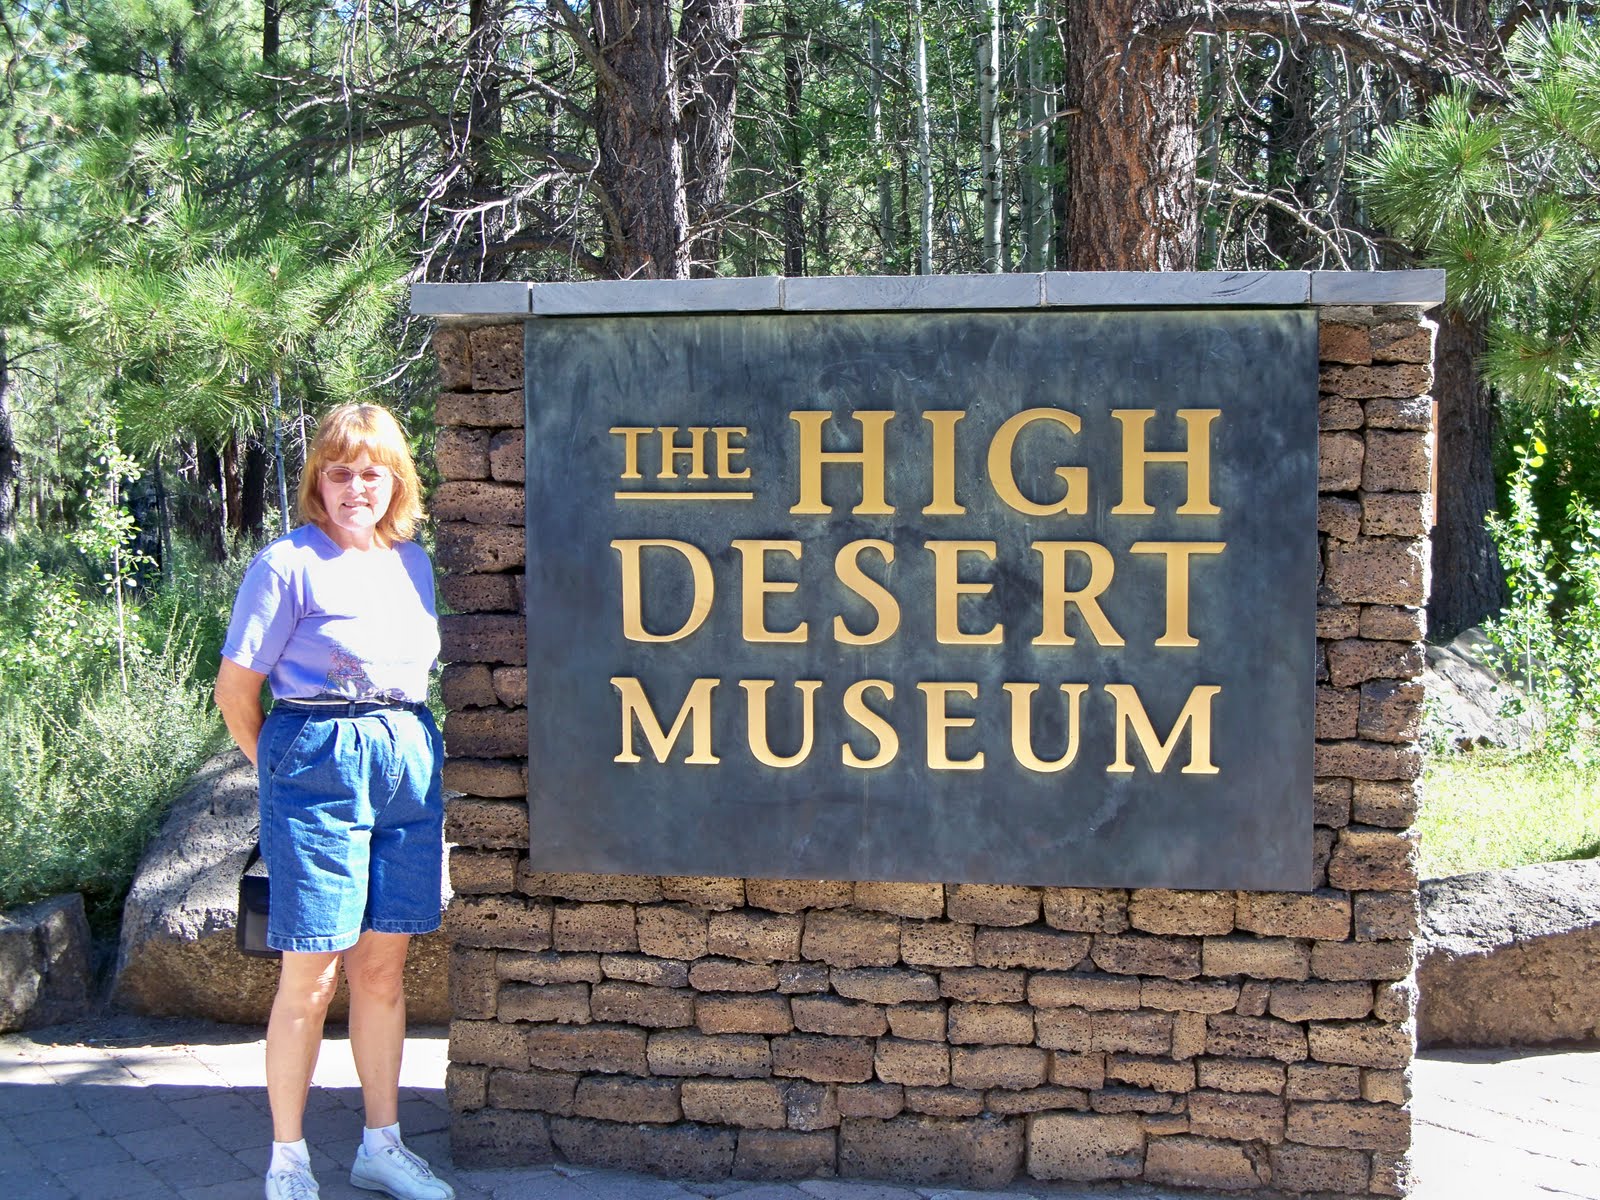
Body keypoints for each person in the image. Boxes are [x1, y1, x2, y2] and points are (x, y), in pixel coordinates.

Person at [215, 402, 454, 1200]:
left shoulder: (410, 562)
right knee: (310, 973)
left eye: (373, 470)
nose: (358, 485)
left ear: (396, 479)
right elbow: (237, 692)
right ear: (320, 478)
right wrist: (288, 773)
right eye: (342, 471)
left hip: (405, 761)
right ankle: (288, 1159)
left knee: (383, 971)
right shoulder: (286, 565)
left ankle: (380, 1147)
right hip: (318, 760)